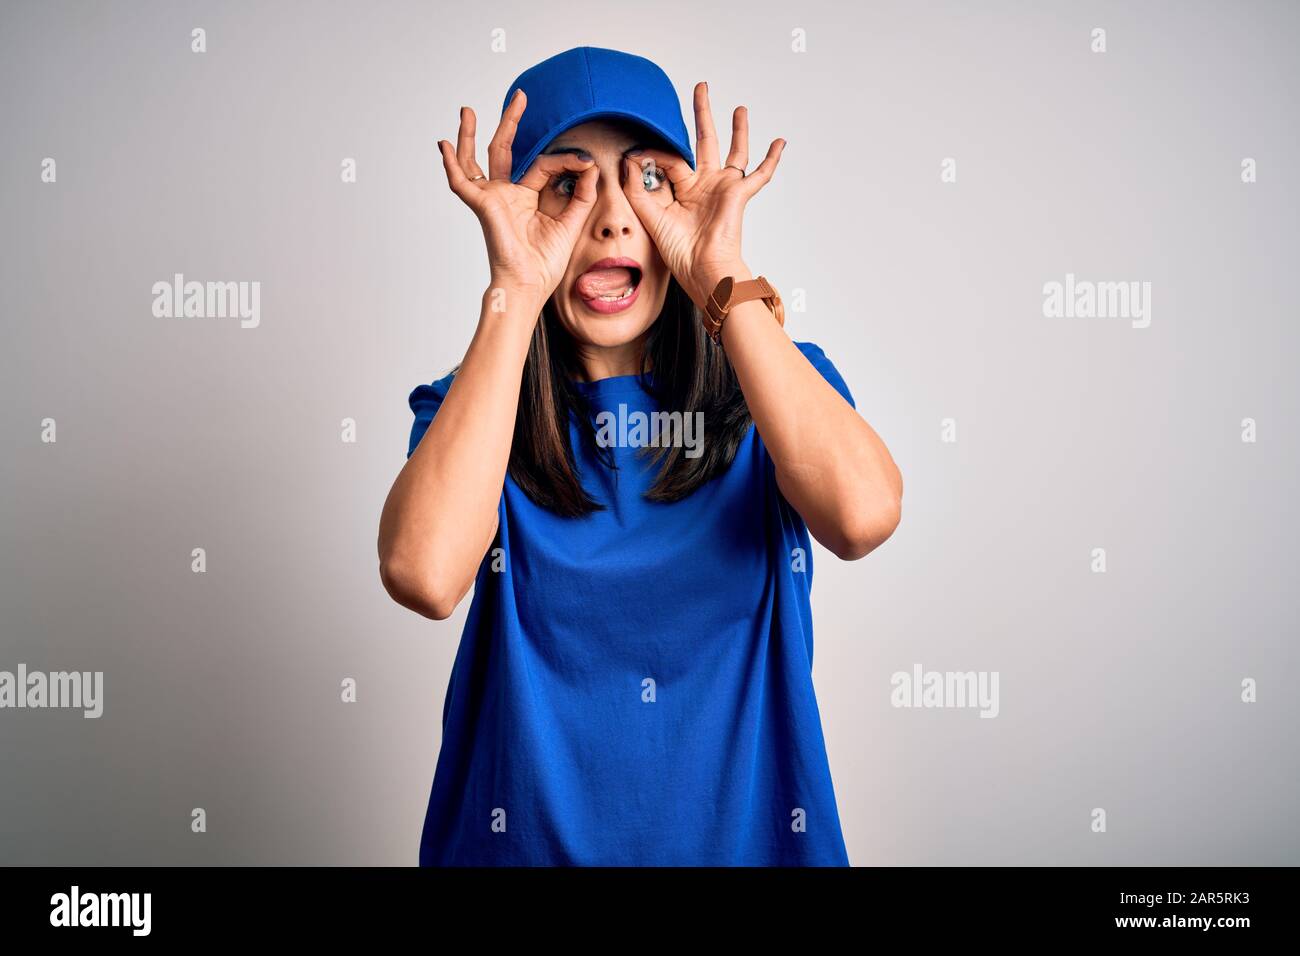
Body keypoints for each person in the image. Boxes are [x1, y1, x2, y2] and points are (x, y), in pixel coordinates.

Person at [378, 46, 903, 866]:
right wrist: (513, 291)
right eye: (565, 183)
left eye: (648, 179)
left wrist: (721, 274)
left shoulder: (769, 391)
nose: (613, 218)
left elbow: (864, 517)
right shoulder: (473, 412)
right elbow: (423, 573)